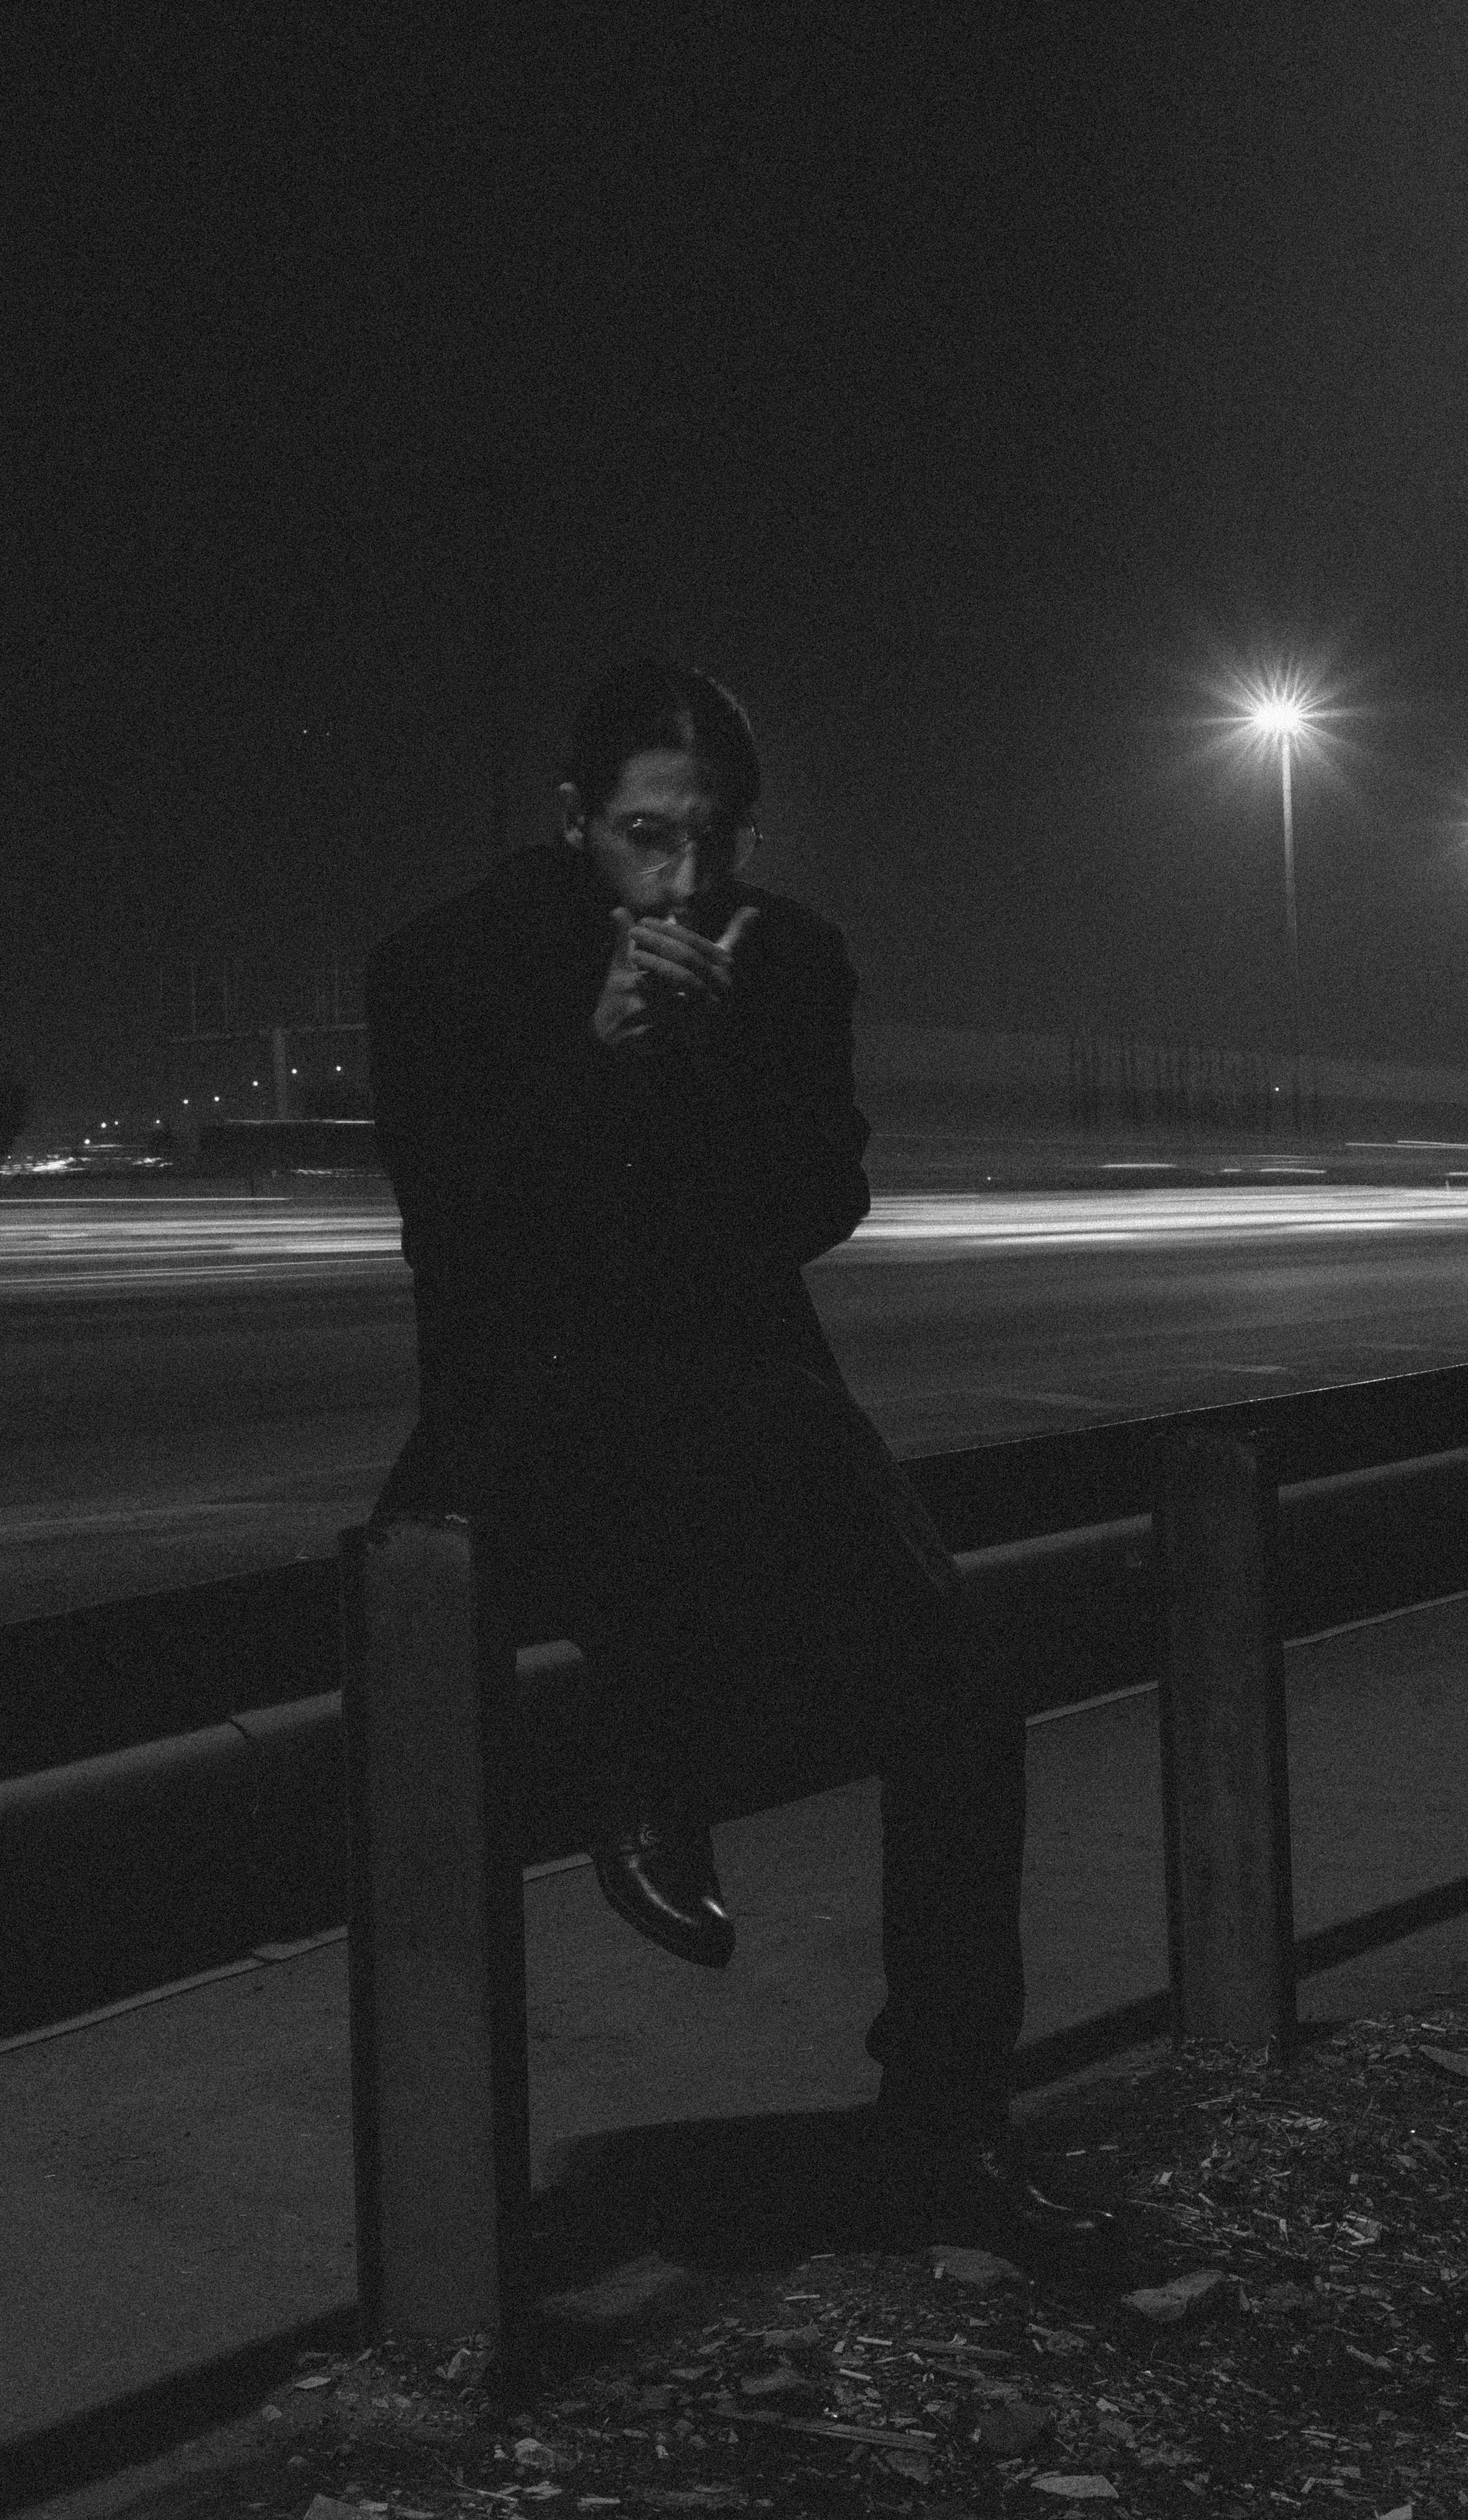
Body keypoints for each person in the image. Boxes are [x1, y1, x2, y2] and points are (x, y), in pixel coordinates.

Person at [363, 657, 1111, 2255]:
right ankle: (646, 1776)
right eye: (649, 835)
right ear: (577, 820)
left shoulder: (791, 958)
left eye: (716, 838)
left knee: (965, 1680)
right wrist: (598, 1056)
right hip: (536, 1406)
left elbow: (817, 1201)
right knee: (449, 1691)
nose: (685, 875)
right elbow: (460, 1236)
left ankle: (947, 2116)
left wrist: (705, 1062)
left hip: (737, 1391)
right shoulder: (448, 963)